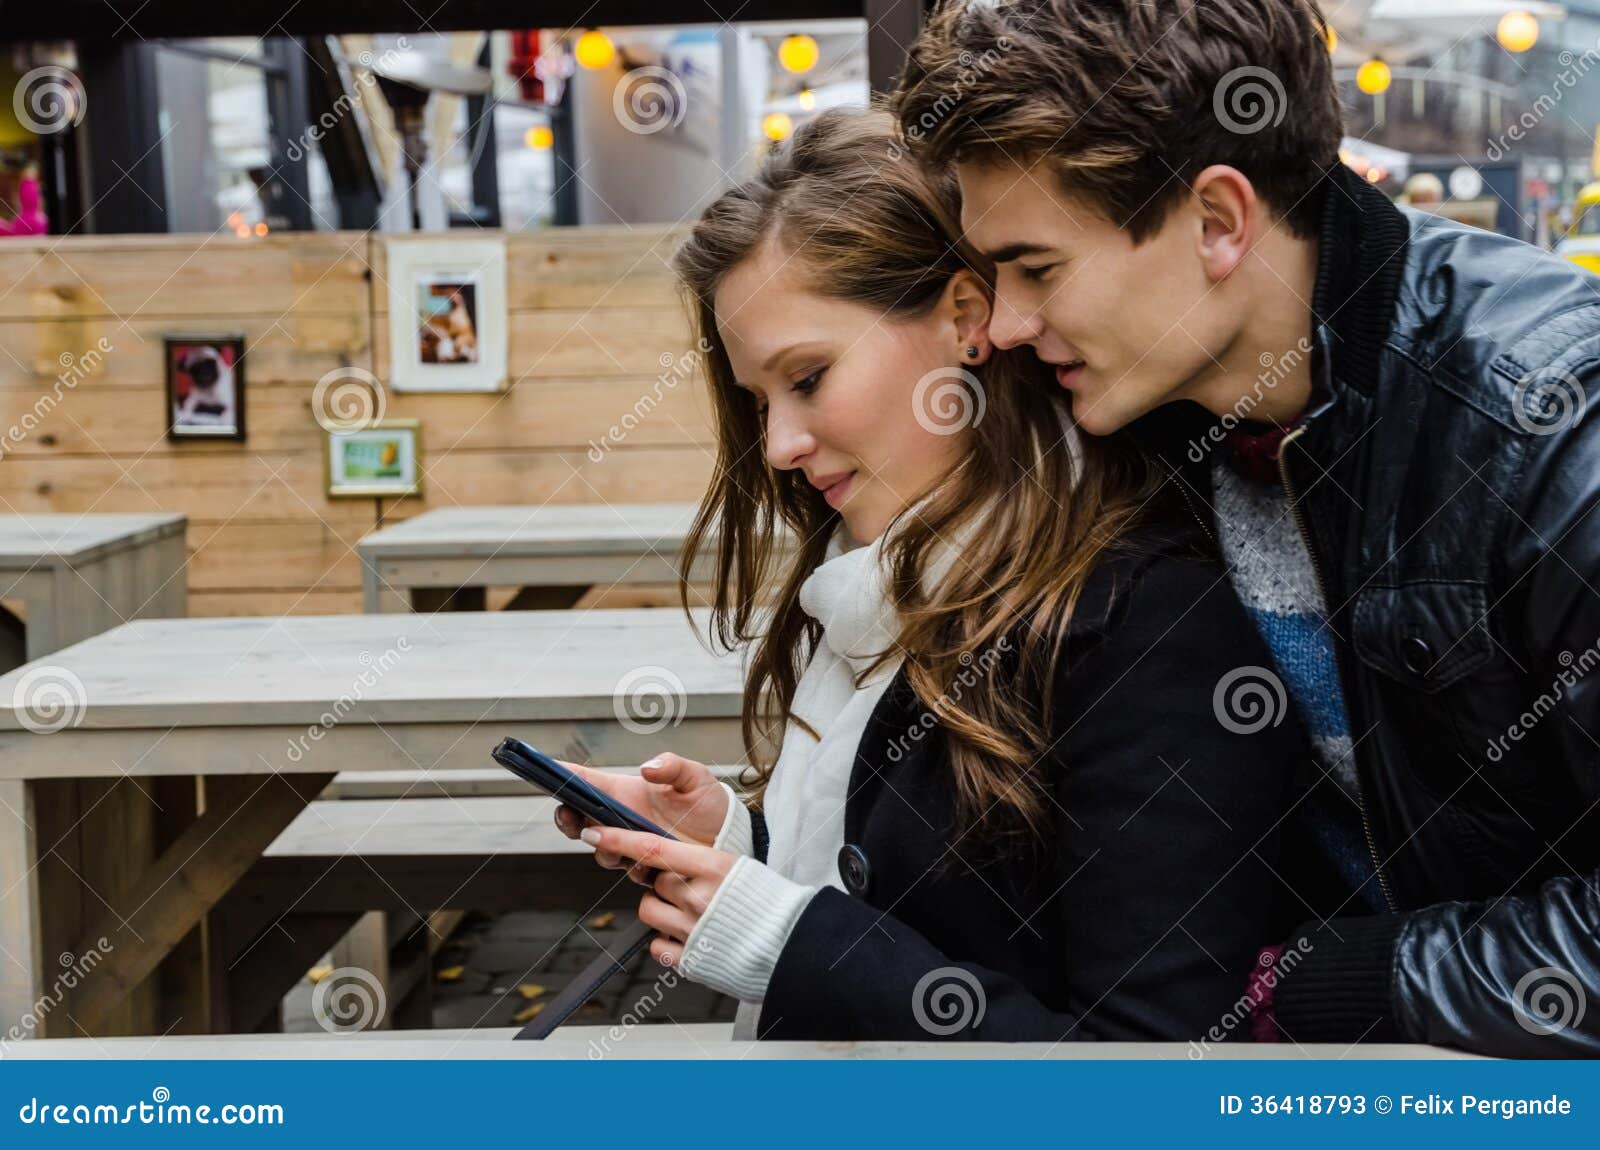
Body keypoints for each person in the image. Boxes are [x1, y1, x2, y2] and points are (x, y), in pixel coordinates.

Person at [893, 0, 1600, 1055]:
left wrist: (1352, 982)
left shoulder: (1543, 417)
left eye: (1037, 270)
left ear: (1219, 222)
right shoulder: (1143, 423)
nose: (1003, 324)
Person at [553, 108, 1312, 1042]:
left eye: (810, 376)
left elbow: (1153, 1071)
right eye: (758, 401)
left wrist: (791, 942)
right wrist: (734, 846)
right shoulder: (875, 582)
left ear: (963, 320)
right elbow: (934, 897)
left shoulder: (1149, 626)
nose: (781, 446)